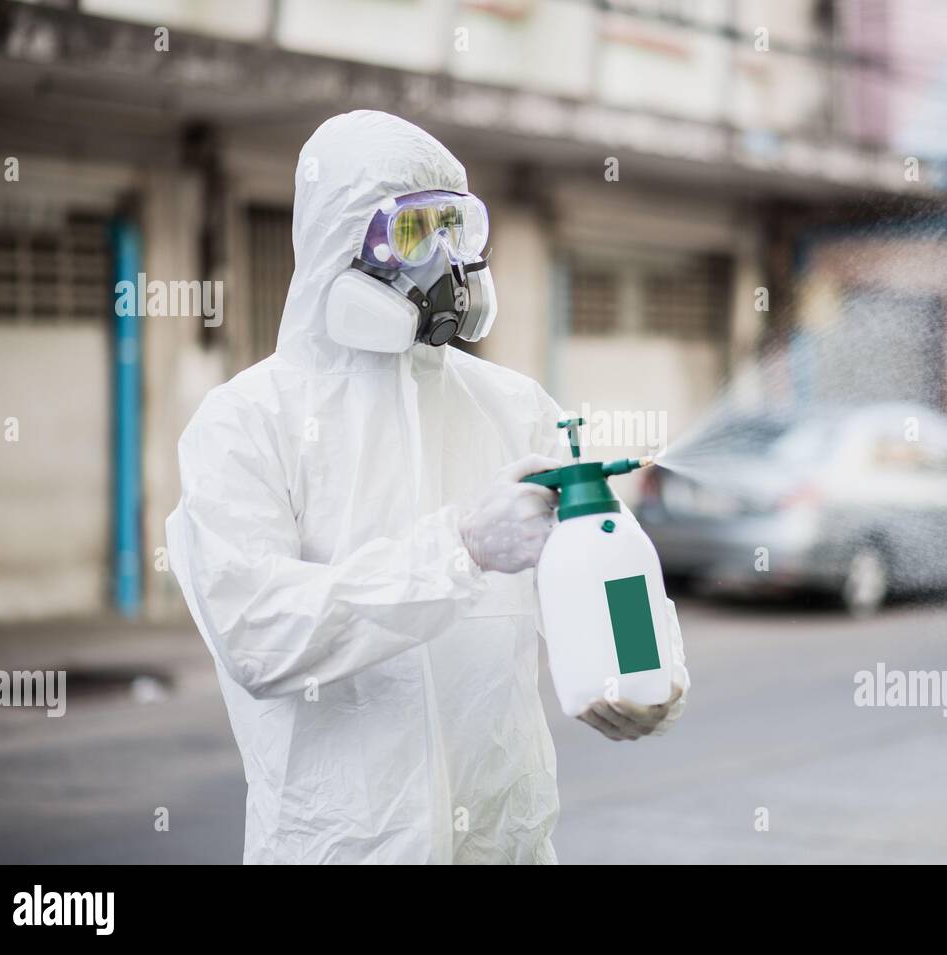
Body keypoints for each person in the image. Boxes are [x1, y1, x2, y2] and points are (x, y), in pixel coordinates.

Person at [165, 110, 688, 865]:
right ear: (342, 243)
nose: (444, 259)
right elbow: (258, 636)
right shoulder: (246, 423)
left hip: (505, 846)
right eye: (414, 232)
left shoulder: (512, 408)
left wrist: (651, 667)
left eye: (457, 228)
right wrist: (462, 549)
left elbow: (604, 579)